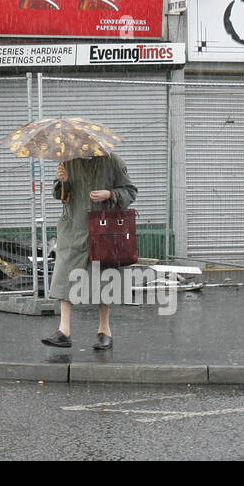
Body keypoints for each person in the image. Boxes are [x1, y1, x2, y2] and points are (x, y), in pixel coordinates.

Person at [41, 150, 137, 351]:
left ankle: (105, 331)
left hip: (103, 230)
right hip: (73, 228)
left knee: (103, 278)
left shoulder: (114, 161)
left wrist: (110, 194)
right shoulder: (68, 162)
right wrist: (63, 182)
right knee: (65, 275)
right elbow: (60, 197)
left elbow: (130, 192)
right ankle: (63, 331)